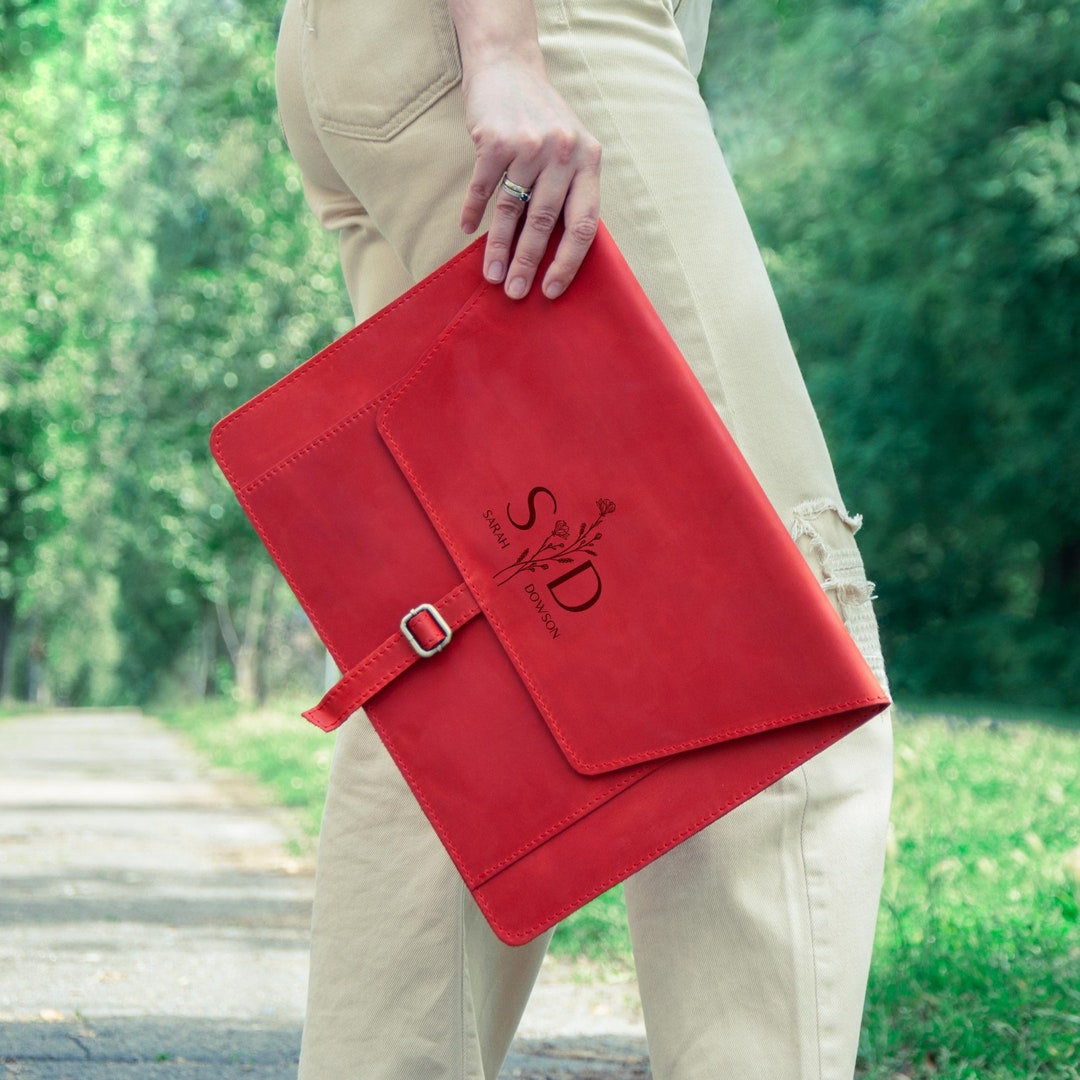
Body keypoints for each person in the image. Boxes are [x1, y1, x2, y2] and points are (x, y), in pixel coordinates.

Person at [274, 1, 894, 1077]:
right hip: (533, 38)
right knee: (772, 648)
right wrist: (507, 52)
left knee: (471, 686)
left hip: (386, 50)